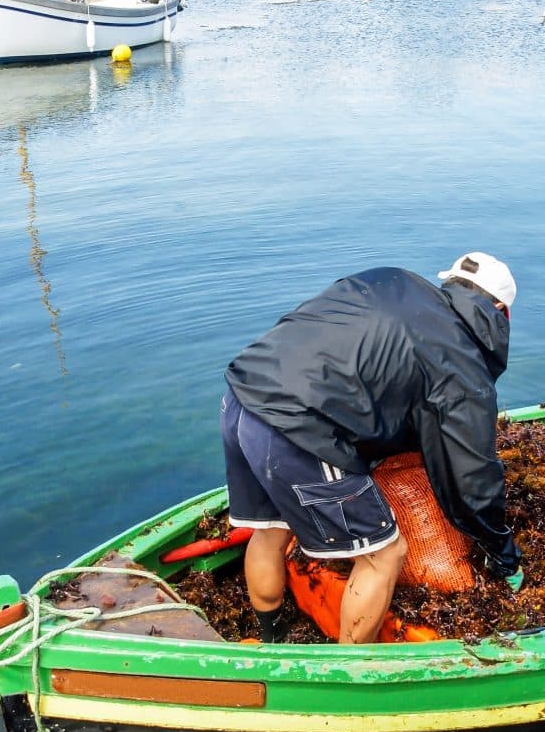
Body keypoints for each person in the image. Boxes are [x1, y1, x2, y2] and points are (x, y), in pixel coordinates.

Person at [221, 253, 524, 645]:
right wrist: (502, 554)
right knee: (384, 555)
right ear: (500, 311)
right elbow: (472, 479)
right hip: (299, 427)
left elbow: (360, 371)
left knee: (271, 530)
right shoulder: (460, 361)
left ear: (451, 284)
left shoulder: (393, 279)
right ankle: (352, 668)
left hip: (242, 394)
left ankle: (271, 639)